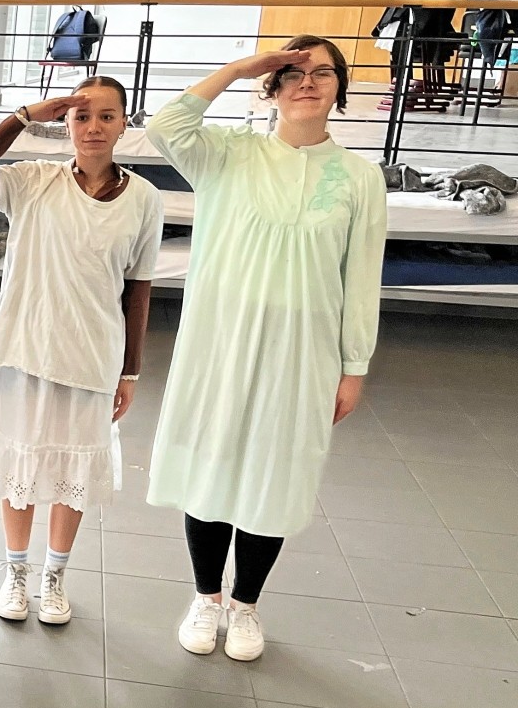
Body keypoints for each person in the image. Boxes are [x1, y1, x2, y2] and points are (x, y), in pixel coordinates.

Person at [146, 36, 385, 662]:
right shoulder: (228, 154)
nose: (308, 82)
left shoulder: (361, 178)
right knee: (212, 461)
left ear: (339, 88)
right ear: (273, 87)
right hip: (218, 343)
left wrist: (353, 367)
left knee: (277, 472)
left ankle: (247, 604)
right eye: (293, 73)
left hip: (302, 352)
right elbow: (164, 123)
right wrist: (241, 67)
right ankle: (206, 596)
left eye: (323, 73)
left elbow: (361, 278)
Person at [0, 77, 161, 624]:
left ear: (123, 124)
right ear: (66, 124)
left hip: (93, 354)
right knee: (20, 463)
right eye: (82, 116)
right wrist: (22, 115)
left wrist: (131, 371)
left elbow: (138, 287)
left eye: (107, 116)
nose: (93, 127)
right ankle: (16, 572)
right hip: (27, 347)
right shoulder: (34, 181)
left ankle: (54, 576)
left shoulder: (143, 198)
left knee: (72, 471)